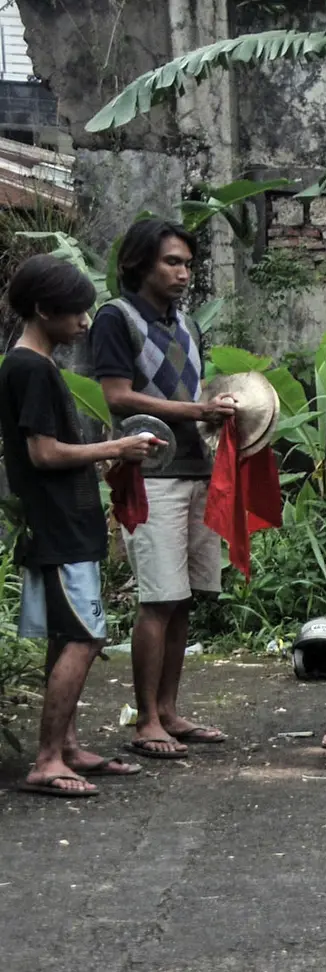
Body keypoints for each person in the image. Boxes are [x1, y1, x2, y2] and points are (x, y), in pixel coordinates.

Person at [4, 255, 162, 796]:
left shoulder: (34, 365)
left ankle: (67, 747)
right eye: (76, 312)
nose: (85, 322)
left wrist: (107, 455)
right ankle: (48, 758)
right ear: (44, 310)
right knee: (85, 637)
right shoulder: (30, 368)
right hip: (60, 527)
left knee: (66, 635)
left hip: (64, 522)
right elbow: (44, 453)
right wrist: (116, 447)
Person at [90, 218, 240, 760]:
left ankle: (170, 711)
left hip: (197, 469)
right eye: (171, 262)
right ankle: (147, 719)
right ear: (140, 263)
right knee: (158, 598)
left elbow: (193, 391)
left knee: (183, 600)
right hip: (151, 474)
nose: (183, 273)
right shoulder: (116, 318)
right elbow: (116, 396)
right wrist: (195, 411)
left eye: (188, 264)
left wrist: (218, 412)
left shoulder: (186, 323)